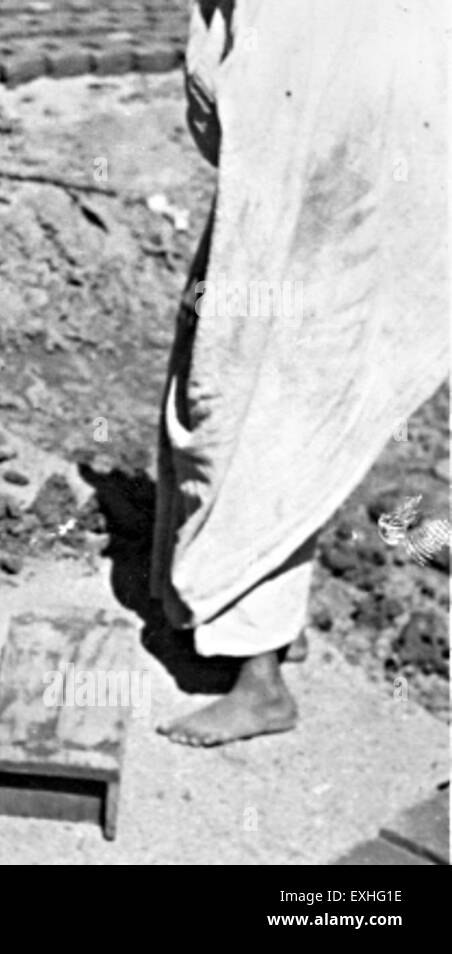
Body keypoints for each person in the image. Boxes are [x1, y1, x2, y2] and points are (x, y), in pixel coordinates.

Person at [152, 0, 449, 745]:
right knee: (289, 390)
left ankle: (260, 683)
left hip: (329, 168)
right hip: (358, 157)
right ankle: (268, 618)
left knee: (258, 404)